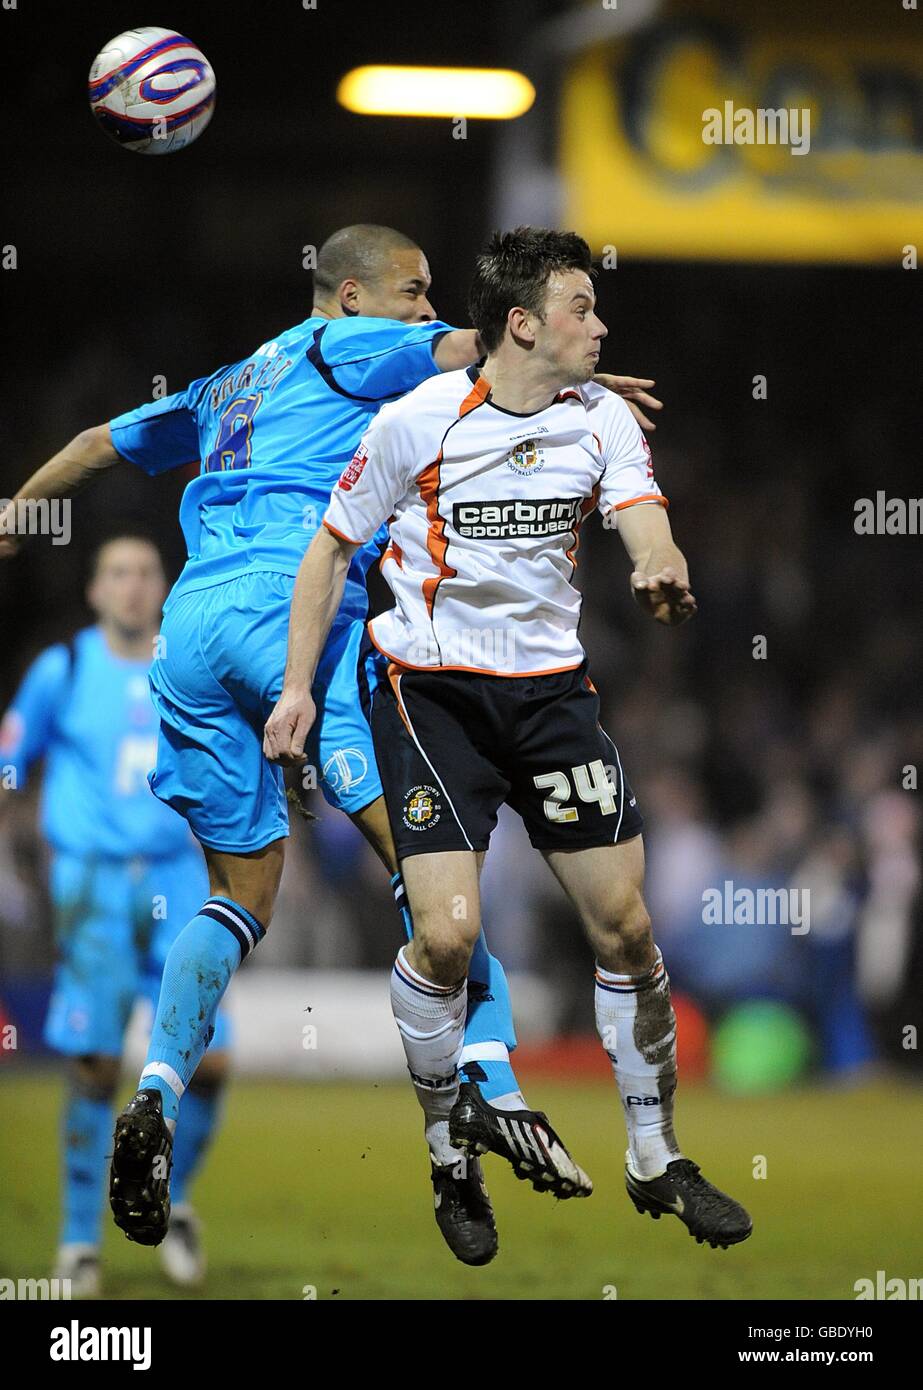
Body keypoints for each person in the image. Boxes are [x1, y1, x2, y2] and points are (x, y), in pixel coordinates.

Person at [0, 223, 662, 1265]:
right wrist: (555, 374)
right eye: (413, 291)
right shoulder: (343, 345)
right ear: (350, 294)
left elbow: (94, 443)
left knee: (239, 893)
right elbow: (459, 352)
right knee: (428, 862)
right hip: (293, 609)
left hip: (190, 631)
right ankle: (489, 1081)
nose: (424, 307)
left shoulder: (222, 385)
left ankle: (156, 1092)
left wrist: (14, 513)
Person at [265, 227, 753, 1251]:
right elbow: (329, 550)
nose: (600, 323)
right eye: (582, 305)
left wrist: (656, 567)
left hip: (548, 703)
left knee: (623, 927)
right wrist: (297, 688)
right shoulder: (416, 420)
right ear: (523, 322)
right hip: (429, 693)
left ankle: (655, 1158)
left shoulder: (602, 418)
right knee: (443, 935)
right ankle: (449, 1154)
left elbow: (643, 519)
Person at [0, 535, 229, 1293]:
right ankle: (77, 1245)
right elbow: (10, 757)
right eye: (117, 573)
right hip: (92, 884)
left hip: (178, 876)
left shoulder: (188, 668)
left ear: (164, 587)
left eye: (145, 573)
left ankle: (176, 1196)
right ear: (96, 592)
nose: (132, 586)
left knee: (214, 1062)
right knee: (96, 1063)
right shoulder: (62, 668)